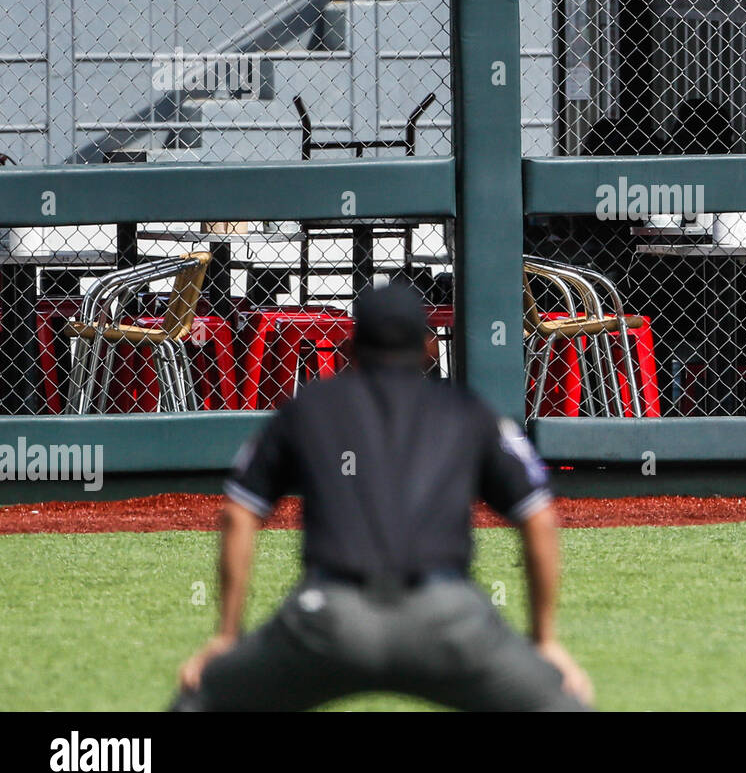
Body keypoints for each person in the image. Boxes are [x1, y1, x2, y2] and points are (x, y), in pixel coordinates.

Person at [172, 282, 593, 711]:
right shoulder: (468, 411)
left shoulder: (309, 407)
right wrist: (545, 642)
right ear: (430, 347)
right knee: (561, 704)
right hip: (446, 622)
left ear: (351, 347)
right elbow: (538, 516)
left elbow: (238, 513)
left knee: (198, 701)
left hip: (330, 621)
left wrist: (227, 637)